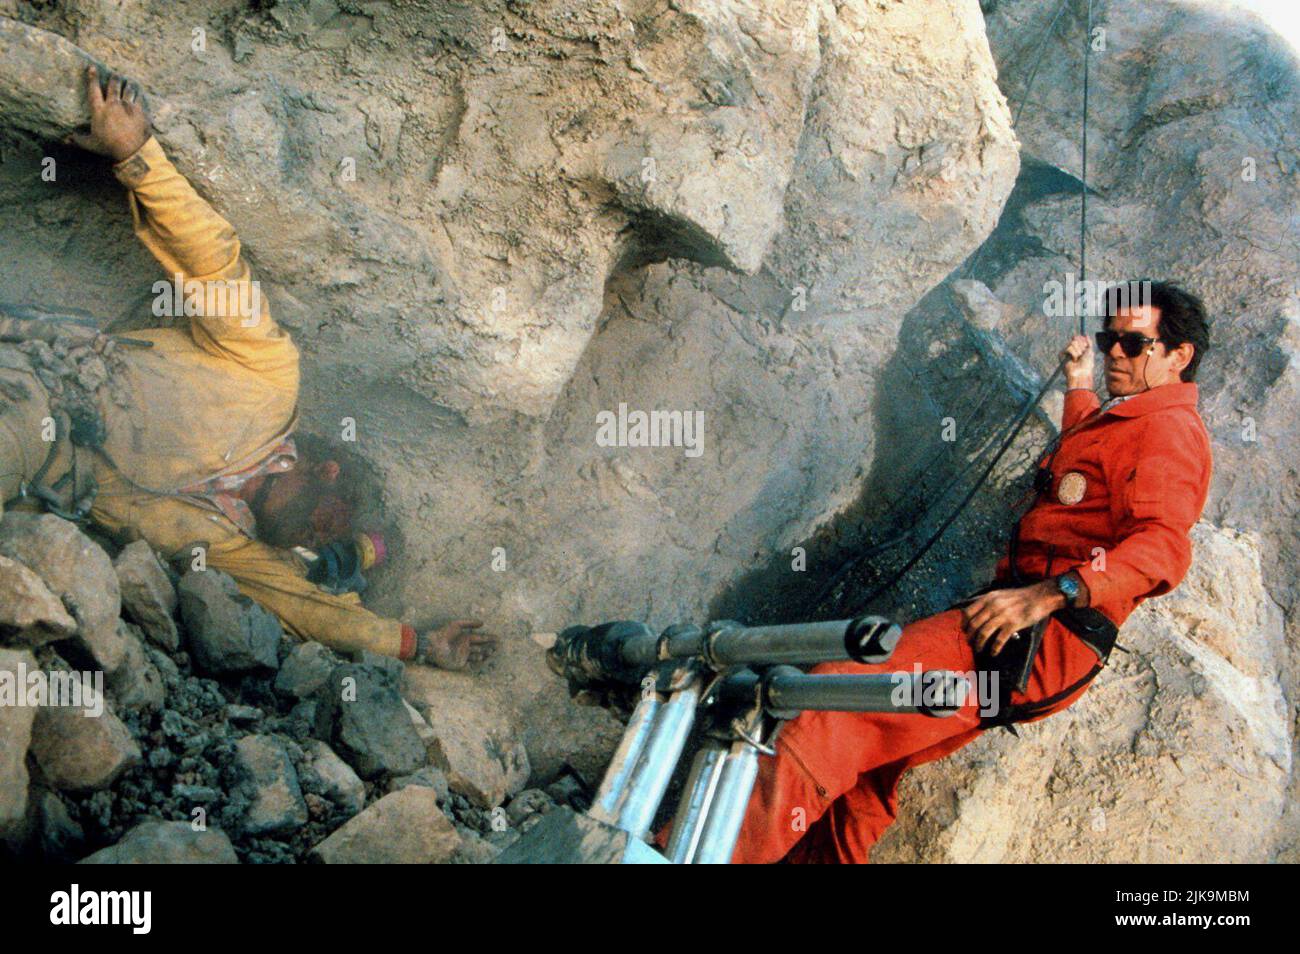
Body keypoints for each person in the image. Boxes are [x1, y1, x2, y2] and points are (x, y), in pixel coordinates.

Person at [0, 66, 495, 670]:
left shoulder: (233, 544)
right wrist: (137, 155)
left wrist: (418, 644)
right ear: (328, 471)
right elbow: (213, 269)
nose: (320, 539)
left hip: (37, 481)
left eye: (331, 545)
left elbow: (305, 606)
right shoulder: (267, 380)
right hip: (38, 388)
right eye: (334, 524)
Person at [731, 280, 1214, 863]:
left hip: (1033, 634)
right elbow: (1086, 470)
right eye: (1109, 338)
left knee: (838, 696)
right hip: (1029, 640)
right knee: (874, 765)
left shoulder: (1169, 429)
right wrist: (1078, 386)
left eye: (1133, 344)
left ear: (1178, 355)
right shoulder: (1132, 420)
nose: (1115, 351)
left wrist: (1047, 595)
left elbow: (1162, 547)